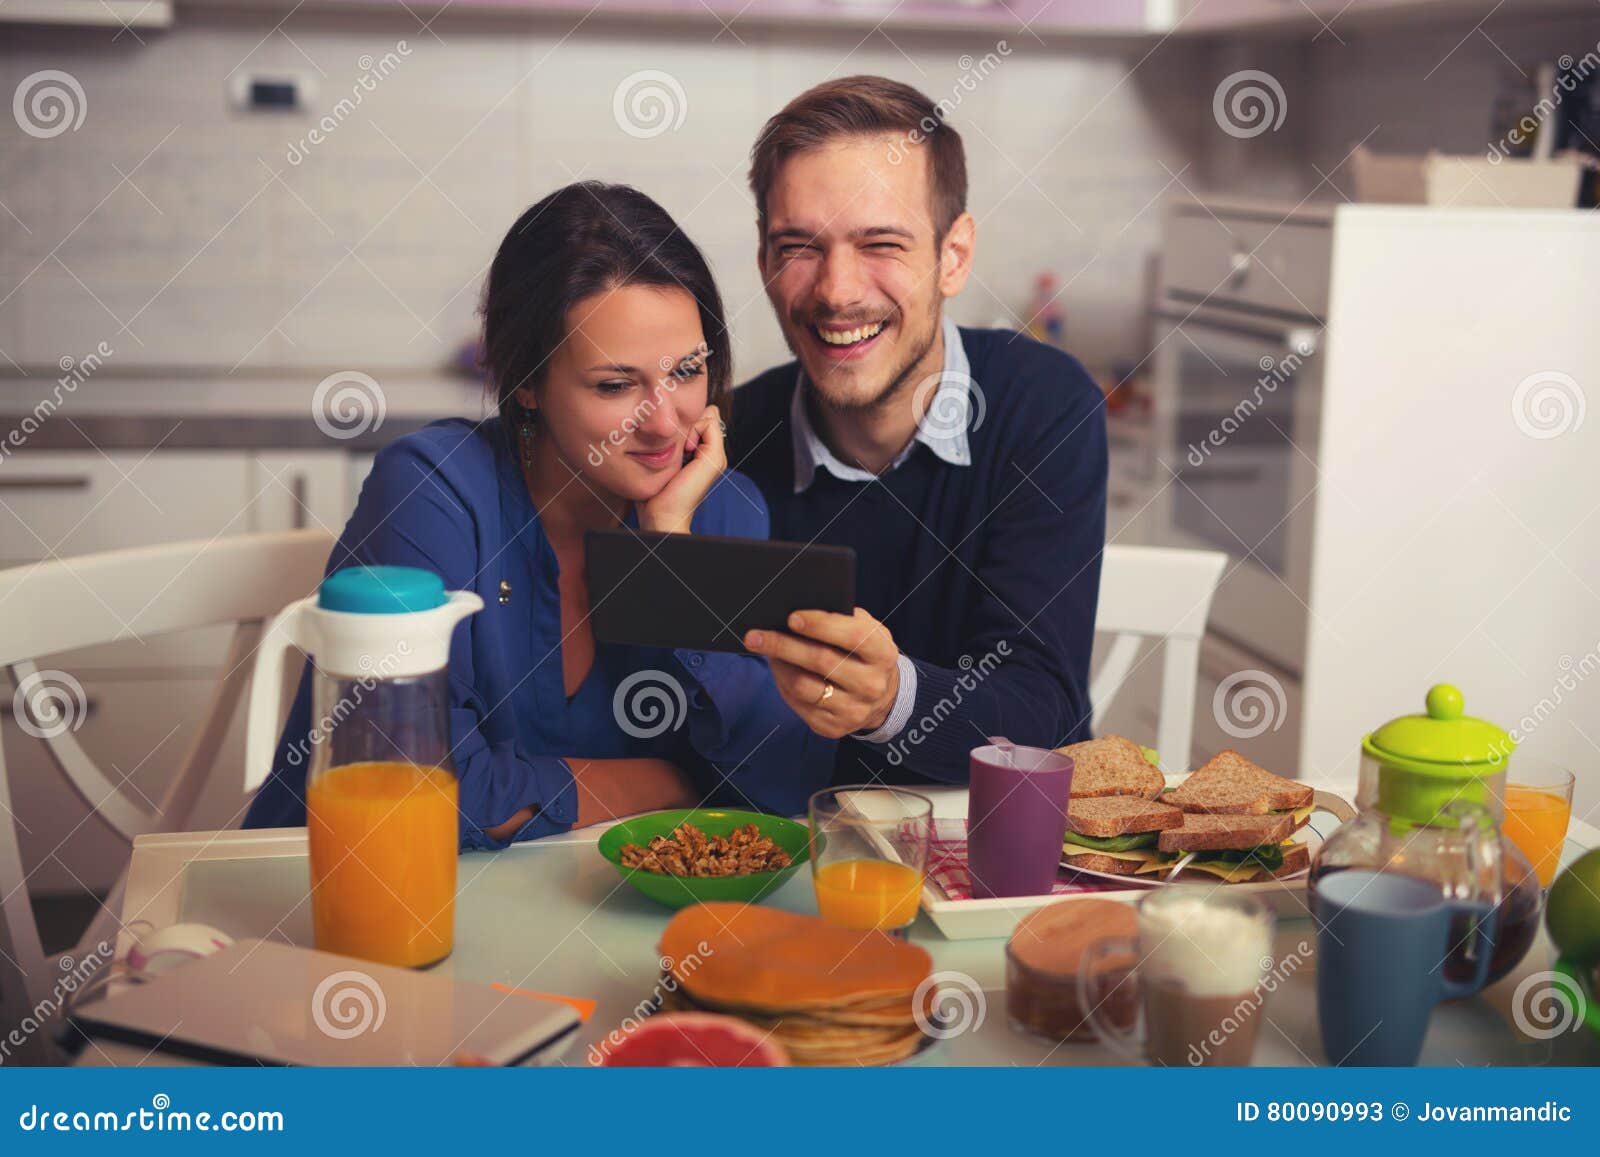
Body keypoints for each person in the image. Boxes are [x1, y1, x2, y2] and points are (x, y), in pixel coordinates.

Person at [245, 182, 834, 848]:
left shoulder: (722, 508)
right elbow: (418, 791)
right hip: (323, 903)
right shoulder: (432, 491)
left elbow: (784, 781)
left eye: (688, 370)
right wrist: (669, 785)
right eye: (616, 385)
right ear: (527, 380)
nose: (665, 423)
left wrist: (672, 557)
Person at [732, 76, 1107, 787]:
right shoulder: (730, 436)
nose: (837, 291)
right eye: (800, 246)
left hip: (990, 854)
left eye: (880, 243)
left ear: (952, 257)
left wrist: (891, 700)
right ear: (765, 262)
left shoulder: (1044, 407)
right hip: (792, 856)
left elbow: (1046, 712)